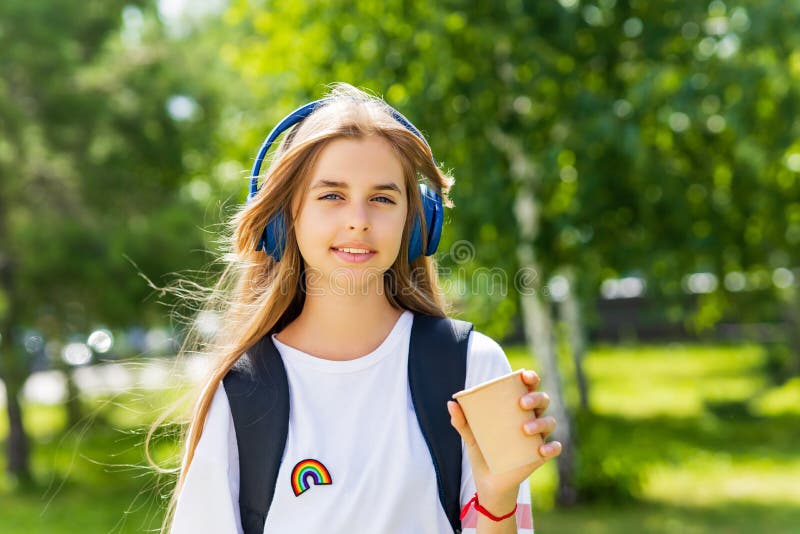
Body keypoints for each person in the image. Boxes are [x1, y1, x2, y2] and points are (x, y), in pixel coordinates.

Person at [158, 82, 561, 534]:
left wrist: (498, 500)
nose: (358, 219)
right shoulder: (243, 393)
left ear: (416, 223)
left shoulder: (471, 368)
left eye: (382, 198)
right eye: (331, 195)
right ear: (284, 218)